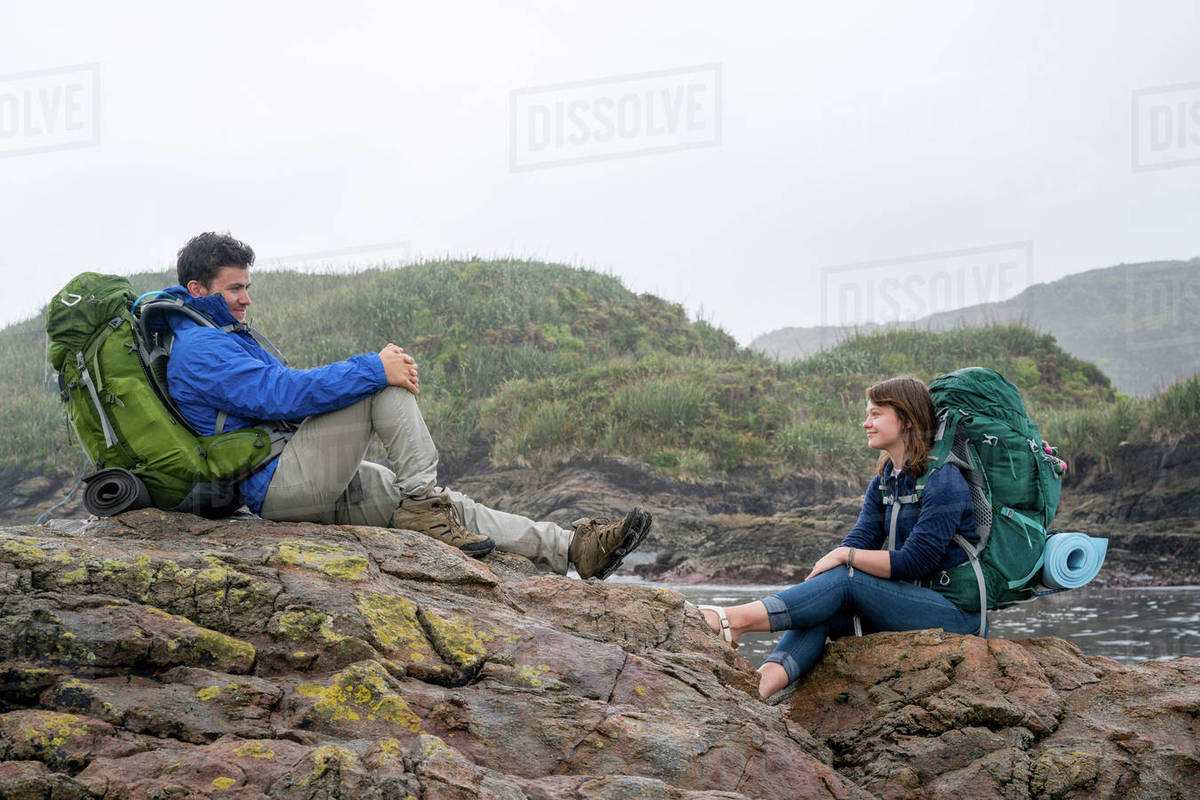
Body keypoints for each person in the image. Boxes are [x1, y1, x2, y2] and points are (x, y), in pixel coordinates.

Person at [160, 231, 652, 580]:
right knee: (382, 385)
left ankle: (572, 548)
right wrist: (375, 368)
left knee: (448, 507)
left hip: (302, 473)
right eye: (235, 288)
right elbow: (283, 392)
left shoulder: (219, 336)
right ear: (198, 290)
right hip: (281, 485)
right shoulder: (201, 349)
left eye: (247, 287)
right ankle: (421, 503)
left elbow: (281, 396)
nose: (246, 298)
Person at [698, 376, 980, 702]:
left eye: (875, 414)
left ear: (906, 420)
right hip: (905, 603)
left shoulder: (944, 479)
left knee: (847, 576)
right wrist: (831, 573)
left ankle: (735, 619)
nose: (866, 423)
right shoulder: (886, 481)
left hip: (955, 612)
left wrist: (844, 557)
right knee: (822, 608)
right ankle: (758, 689)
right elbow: (860, 539)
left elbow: (916, 561)